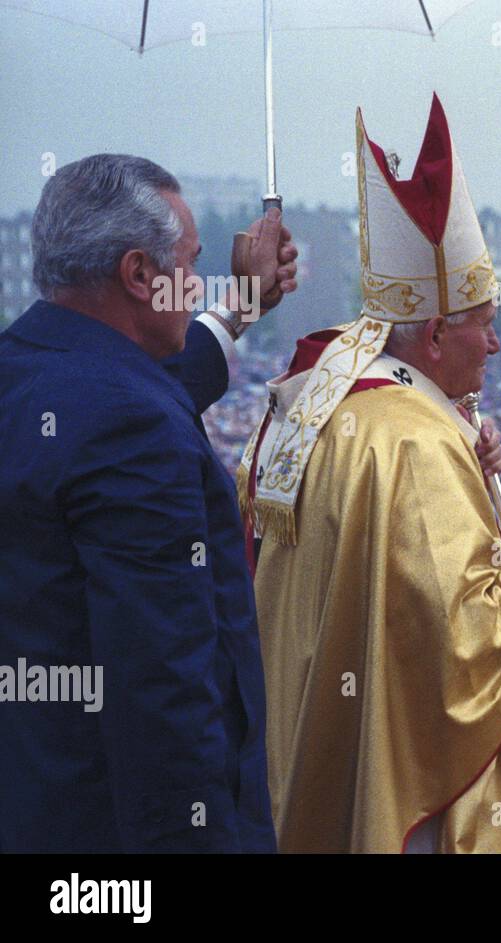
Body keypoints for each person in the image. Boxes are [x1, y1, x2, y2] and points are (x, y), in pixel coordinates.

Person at [242, 95, 501, 853]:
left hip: (314, 741)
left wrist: (466, 458)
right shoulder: (413, 442)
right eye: (485, 323)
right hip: (423, 802)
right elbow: (457, 639)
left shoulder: (317, 394)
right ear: (438, 331)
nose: (497, 345)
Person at [0, 153, 297, 851]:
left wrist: (242, 307)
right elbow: (163, 694)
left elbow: (129, 390)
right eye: (190, 266)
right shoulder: (128, 425)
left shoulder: (32, 373)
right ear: (139, 274)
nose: (198, 287)